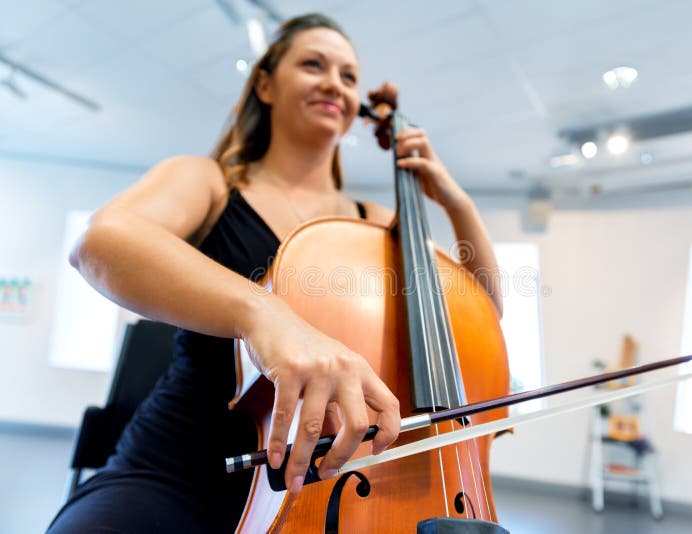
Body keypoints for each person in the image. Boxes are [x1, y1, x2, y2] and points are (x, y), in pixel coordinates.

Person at [48, 12, 503, 533]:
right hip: (178, 473)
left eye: (349, 76)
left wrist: (457, 201)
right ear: (265, 83)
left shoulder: (375, 223)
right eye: (314, 64)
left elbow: (483, 316)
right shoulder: (209, 182)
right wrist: (263, 312)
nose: (334, 82)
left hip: (332, 487)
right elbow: (101, 241)